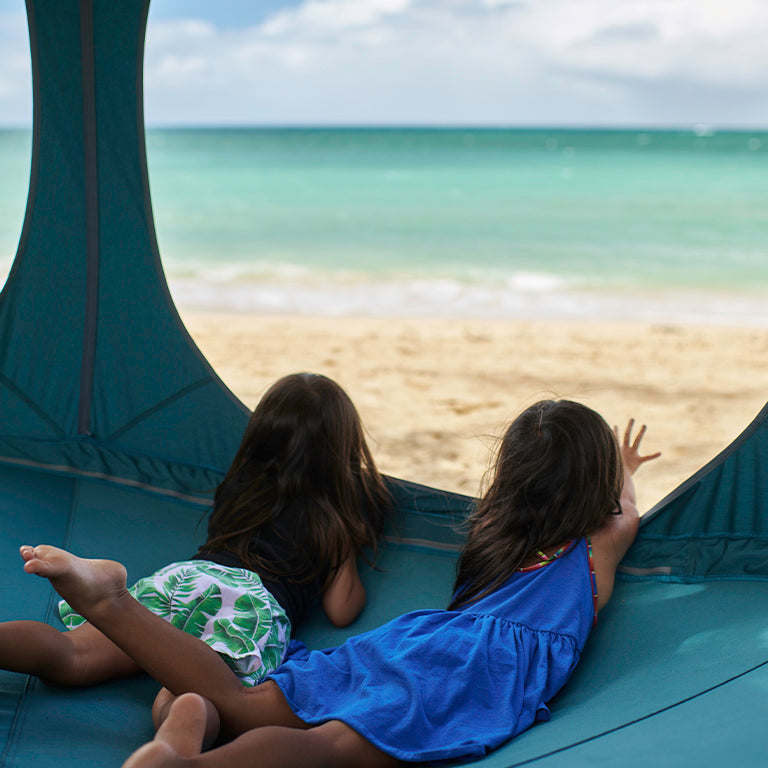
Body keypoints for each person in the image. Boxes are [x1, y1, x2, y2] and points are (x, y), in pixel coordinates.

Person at [19, 399, 659, 768]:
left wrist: (604, 467)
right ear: (594, 488)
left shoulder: (498, 531)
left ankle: (127, 621)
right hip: (472, 671)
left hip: (418, 641)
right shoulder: (596, 546)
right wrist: (624, 470)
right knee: (328, 750)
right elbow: (623, 509)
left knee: (245, 705)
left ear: (511, 480)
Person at [2, 372, 391, 697]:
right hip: (247, 603)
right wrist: (347, 546)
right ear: (343, 446)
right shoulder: (336, 516)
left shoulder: (241, 484)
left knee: (73, 656)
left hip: (184, 579)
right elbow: (343, 610)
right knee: (202, 690)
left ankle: (102, 595)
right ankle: (174, 746)